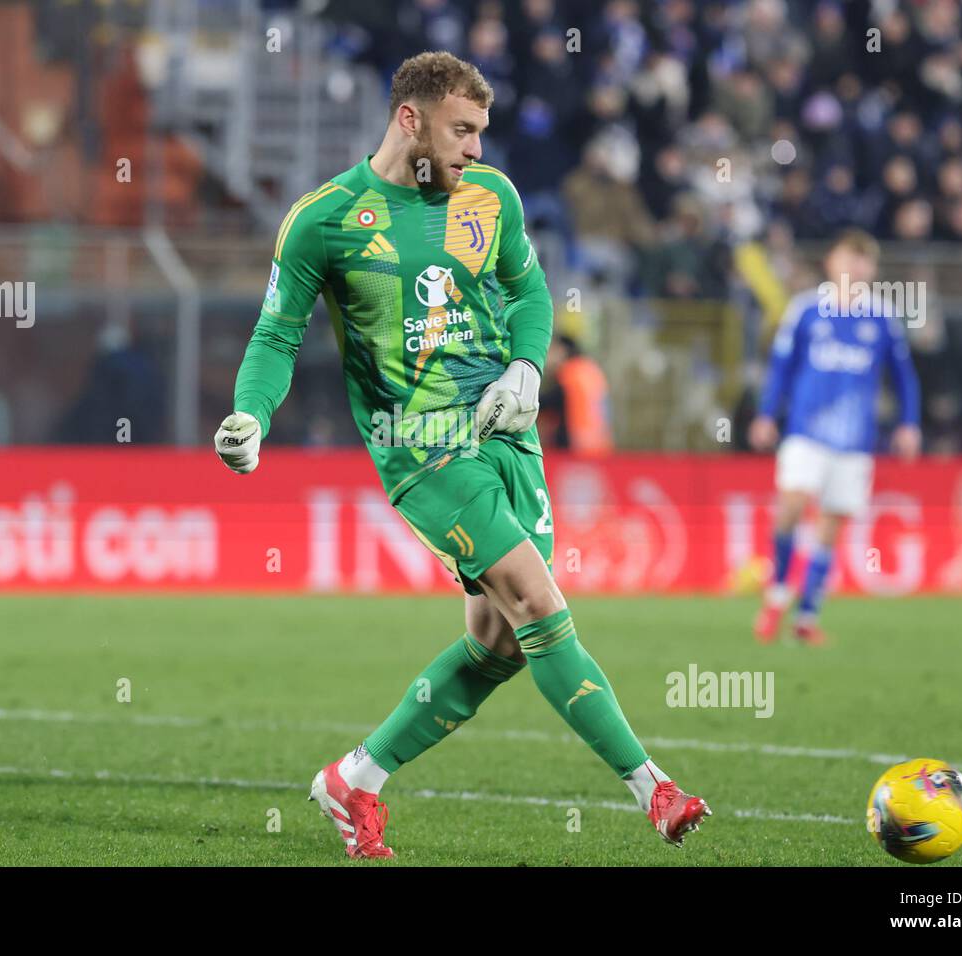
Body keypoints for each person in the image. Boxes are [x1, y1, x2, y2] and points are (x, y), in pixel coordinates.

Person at [214, 51, 709, 859]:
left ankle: (355, 779)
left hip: (507, 435)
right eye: (462, 130)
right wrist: (250, 415)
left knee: (501, 642)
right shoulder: (325, 219)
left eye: (481, 131)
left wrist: (526, 367)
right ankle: (653, 788)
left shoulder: (492, 197)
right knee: (539, 605)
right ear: (409, 120)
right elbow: (277, 334)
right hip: (420, 449)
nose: (476, 148)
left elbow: (531, 292)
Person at [749, 229, 921, 644]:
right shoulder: (806, 309)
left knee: (829, 526)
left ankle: (806, 616)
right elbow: (781, 367)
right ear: (831, 262)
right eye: (847, 258)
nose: (854, 268)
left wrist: (909, 422)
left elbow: (904, 377)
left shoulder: (882, 317)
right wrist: (767, 414)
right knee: (791, 506)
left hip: (855, 440)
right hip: (805, 432)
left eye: (862, 261)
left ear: (872, 269)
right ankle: (777, 594)